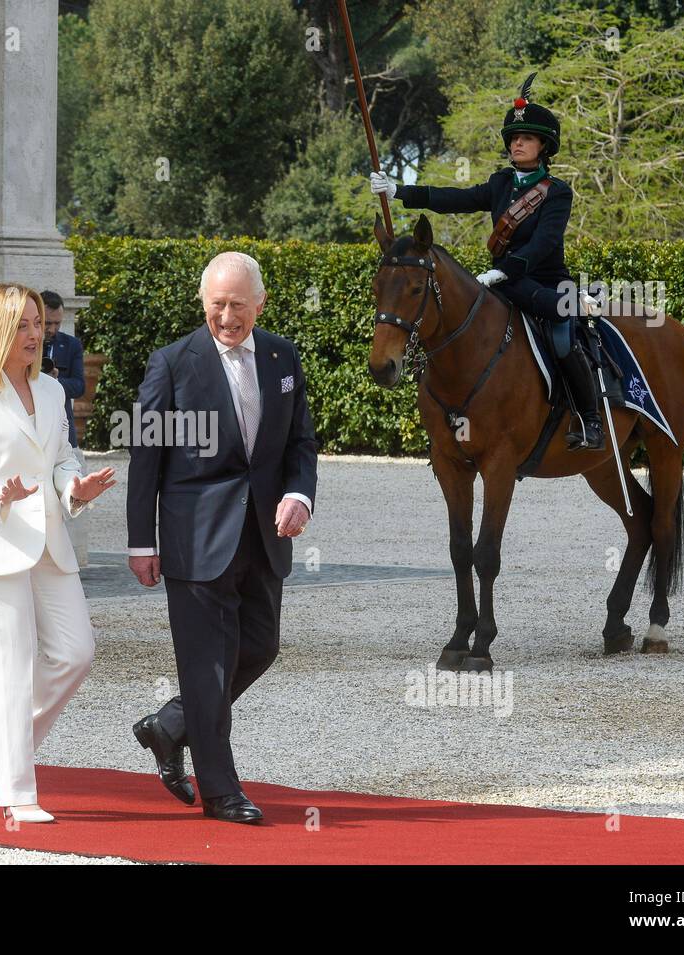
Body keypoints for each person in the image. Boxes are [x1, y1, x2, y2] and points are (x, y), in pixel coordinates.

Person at [127, 252, 318, 824]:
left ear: (259, 304)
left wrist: (300, 495)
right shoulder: (171, 364)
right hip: (194, 540)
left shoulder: (283, 355)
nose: (227, 316)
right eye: (217, 305)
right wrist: (142, 542)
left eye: (238, 305)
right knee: (208, 667)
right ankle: (221, 791)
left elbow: (300, 444)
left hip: (264, 536)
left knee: (260, 647)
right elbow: (145, 459)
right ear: (203, 303)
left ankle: (172, 724)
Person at [0, 283, 116, 824]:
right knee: (11, 667)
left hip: (49, 542)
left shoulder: (55, 393)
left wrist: (74, 489)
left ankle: (4, 738)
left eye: (38, 323)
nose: (35, 334)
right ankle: (17, 793)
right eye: (22, 325)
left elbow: (61, 459)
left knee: (76, 652)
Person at [369, 72, 604, 450]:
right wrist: (399, 191)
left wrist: (505, 269)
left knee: (562, 332)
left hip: (543, 282)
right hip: (501, 282)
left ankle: (589, 419)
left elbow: (544, 244)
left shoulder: (558, 193)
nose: (517, 144)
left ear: (544, 145)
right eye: (513, 138)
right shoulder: (499, 184)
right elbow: (455, 199)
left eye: (525, 138)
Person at [38, 291, 85, 448]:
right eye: (47, 323)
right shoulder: (23, 344)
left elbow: (79, 387)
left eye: (57, 323)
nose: (52, 329)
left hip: (61, 425)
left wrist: (55, 381)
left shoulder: (72, 345)